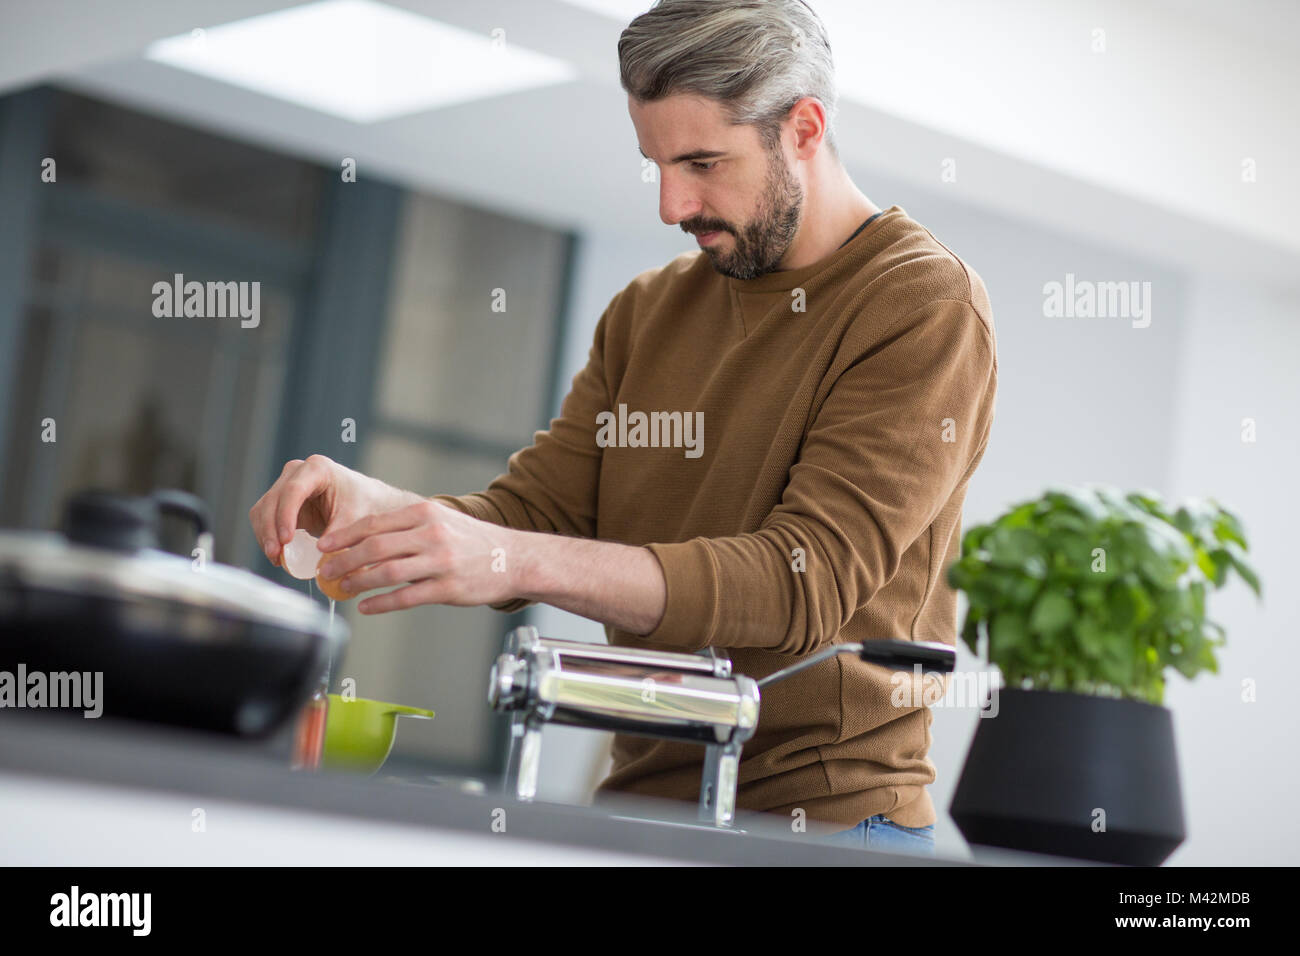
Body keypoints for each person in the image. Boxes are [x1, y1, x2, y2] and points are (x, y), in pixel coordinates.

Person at [250, 0, 997, 856]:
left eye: (703, 163)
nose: (673, 203)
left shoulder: (922, 304)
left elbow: (803, 583)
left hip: (826, 827)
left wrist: (513, 558)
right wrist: (381, 507)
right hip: (642, 812)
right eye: (657, 164)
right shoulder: (649, 311)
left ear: (804, 128)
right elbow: (542, 515)